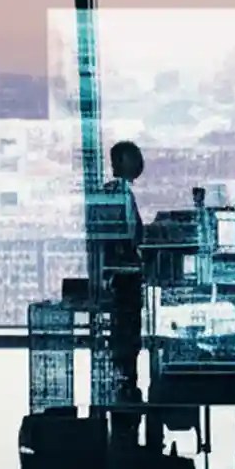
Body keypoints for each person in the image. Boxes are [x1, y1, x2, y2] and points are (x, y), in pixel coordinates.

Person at [103, 141, 145, 385]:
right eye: (134, 158)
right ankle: (126, 382)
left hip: (123, 273)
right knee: (127, 329)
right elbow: (125, 236)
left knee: (126, 330)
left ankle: (126, 379)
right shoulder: (118, 193)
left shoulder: (117, 192)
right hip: (124, 274)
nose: (139, 164)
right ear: (120, 162)